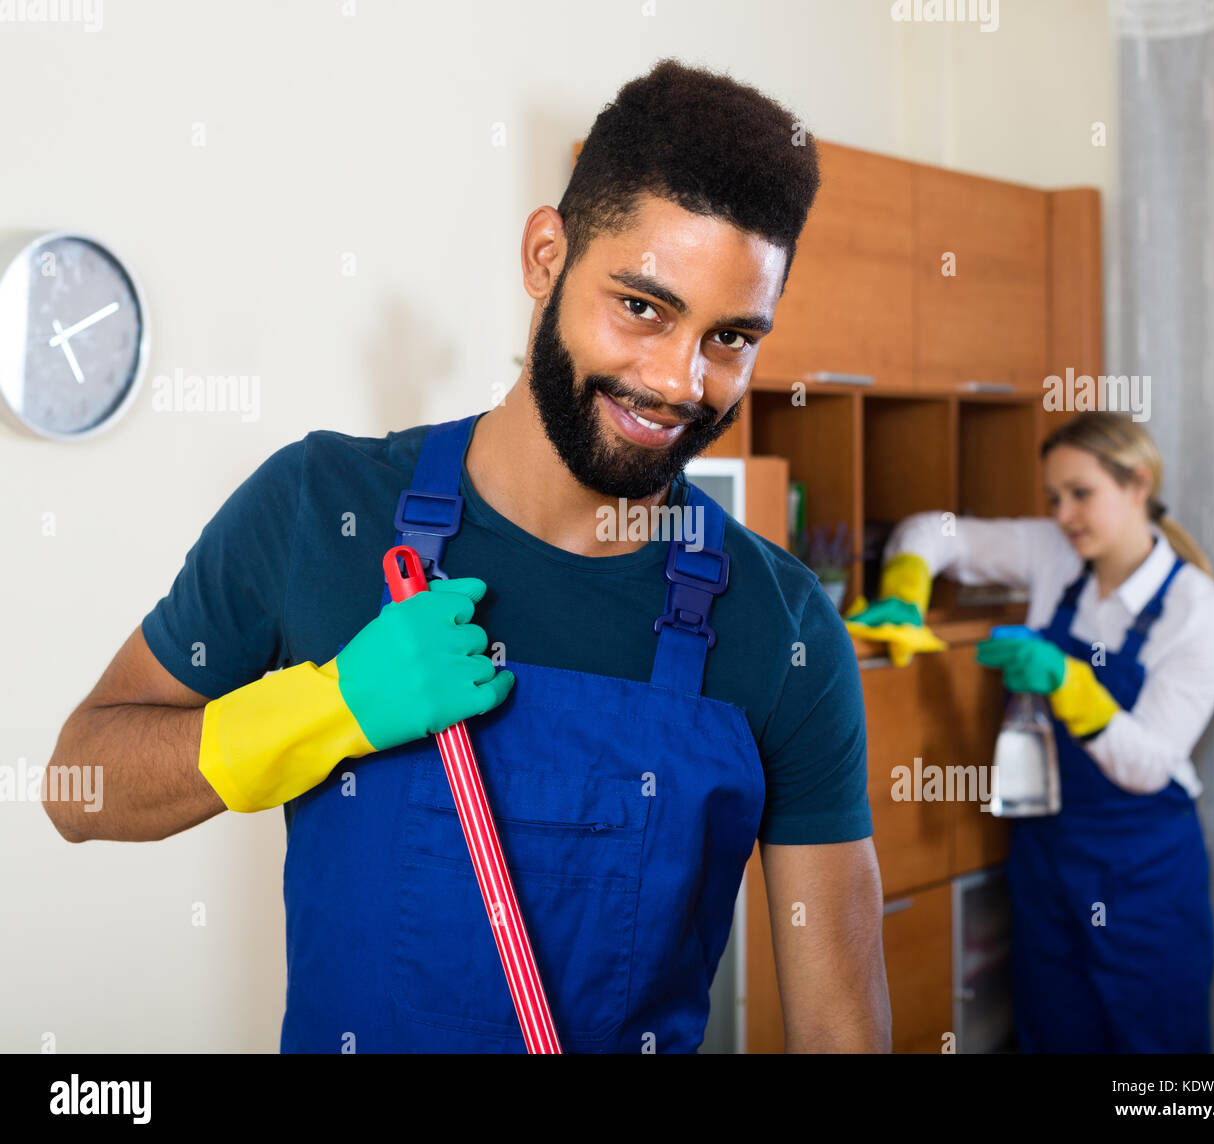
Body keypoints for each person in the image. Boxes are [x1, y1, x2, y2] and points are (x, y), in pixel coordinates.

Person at [43, 59, 890, 1054]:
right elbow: (76, 784)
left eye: (732, 337)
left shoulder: (783, 631)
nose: (678, 380)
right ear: (544, 256)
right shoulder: (321, 505)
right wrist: (329, 708)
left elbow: (841, 1031)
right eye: (641, 307)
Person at [853, 411, 1214, 1053]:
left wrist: (1071, 684)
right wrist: (908, 585)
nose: (1064, 515)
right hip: (1046, 852)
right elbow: (932, 531)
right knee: (1053, 1032)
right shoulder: (1057, 555)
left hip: (1144, 871)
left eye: (1081, 494)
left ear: (1137, 484)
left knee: (1157, 1052)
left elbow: (1146, 764)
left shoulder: (1197, 613)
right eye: (1054, 497)